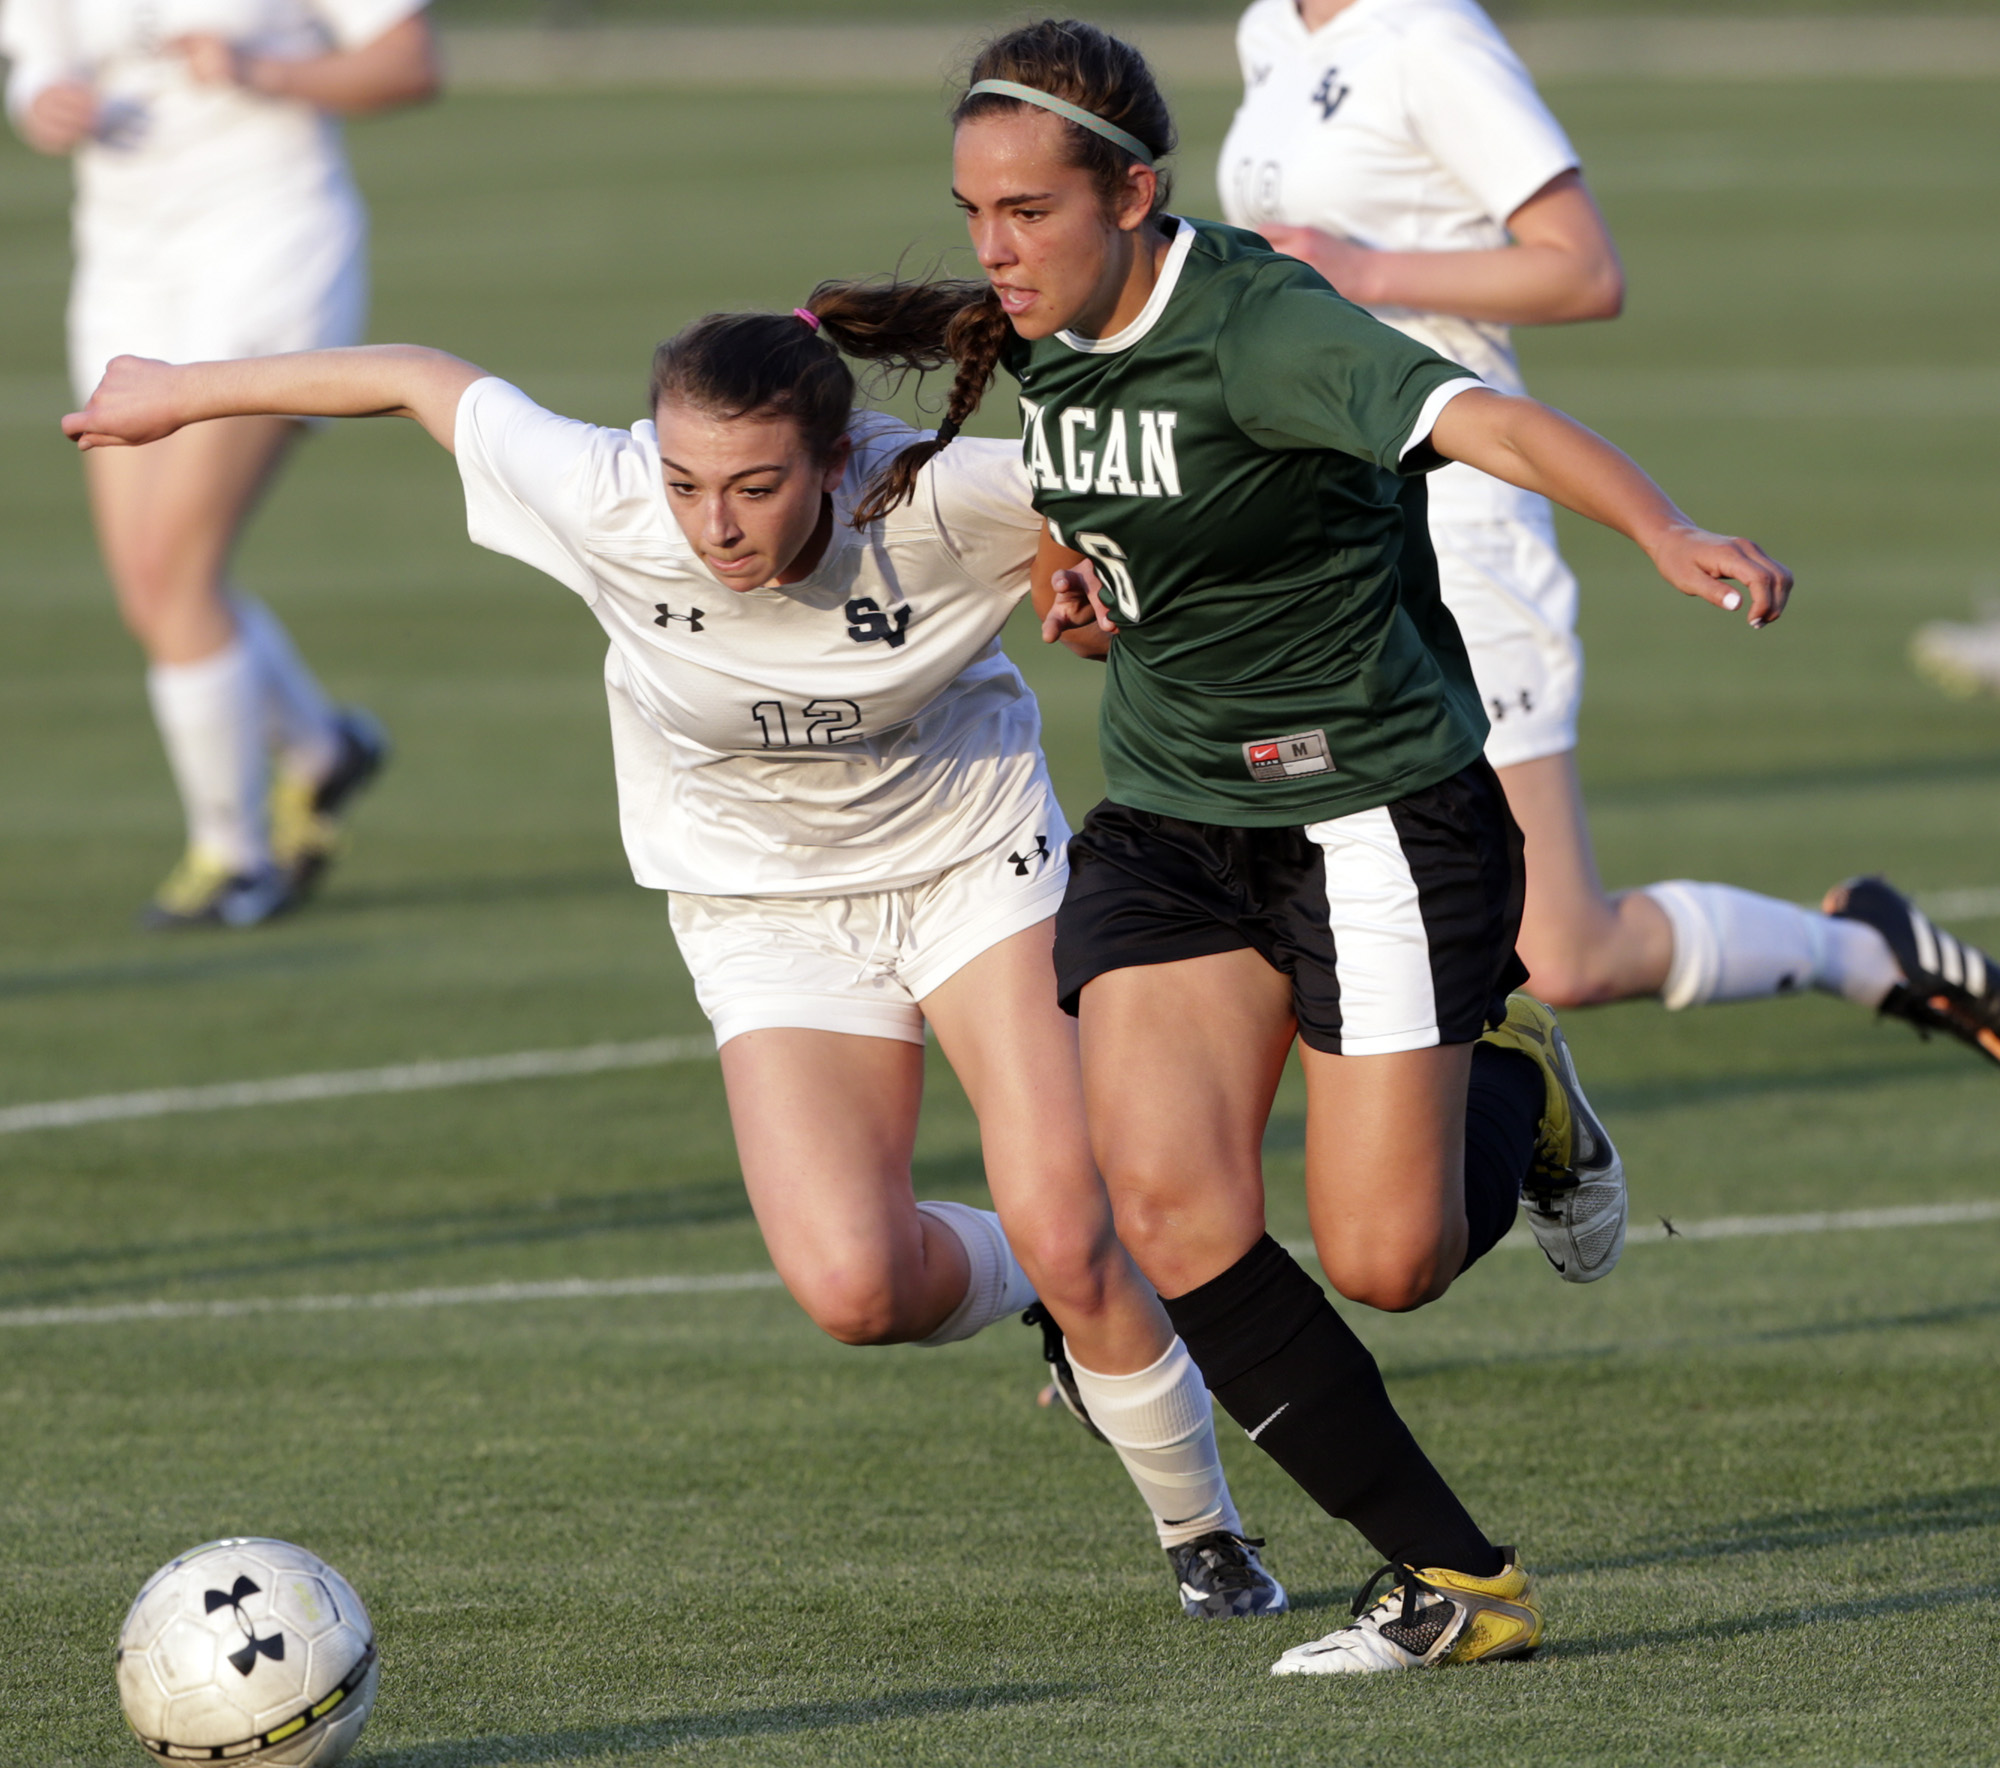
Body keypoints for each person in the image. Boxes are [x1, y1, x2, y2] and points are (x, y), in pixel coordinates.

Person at [820, 17, 1801, 1675]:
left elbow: (1486, 420)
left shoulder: (1268, 327)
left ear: (1132, 194)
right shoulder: (1046, 324)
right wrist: (1081, 575)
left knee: (1388, 1257)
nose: (994, 248)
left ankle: (1522, 1080)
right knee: (1173, 1204)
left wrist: (1664, 525)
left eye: (1029, 212)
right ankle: (1454, 1577)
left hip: (1371, 814)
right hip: (1172, 820)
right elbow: (1097, 477)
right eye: (975, 211)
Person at [61, 310, 1289, 1621]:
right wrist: (182, 393)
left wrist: (1077, 572)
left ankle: (1203, 1539)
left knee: (1070, 1218)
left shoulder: (933, 499)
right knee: (856, 1289)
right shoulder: (605, 494)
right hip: (755, 904)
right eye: (689, 482)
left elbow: (1152, 483)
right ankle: (1053, 1289)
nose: (716, 524)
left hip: (969, 866)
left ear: (833, 459)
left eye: (757, 486)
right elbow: (420, 380)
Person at [1217, 0, 2000, 1067]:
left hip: (1454, 513)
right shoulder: (1268, 27)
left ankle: (1855, 951)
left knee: (1563, 949)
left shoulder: (1428, 37)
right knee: (1291, 895)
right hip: (1311, 525)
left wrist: (1362, 270)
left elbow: (1582, 270)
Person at [1, 0, 436, 927]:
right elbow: (31, 70)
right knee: (150, 595)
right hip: (126, 267)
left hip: (269, 247)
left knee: (176, 571)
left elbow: (409, 63)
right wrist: (44, 105)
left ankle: (235, 857)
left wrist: (262, 70)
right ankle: (322, 752)